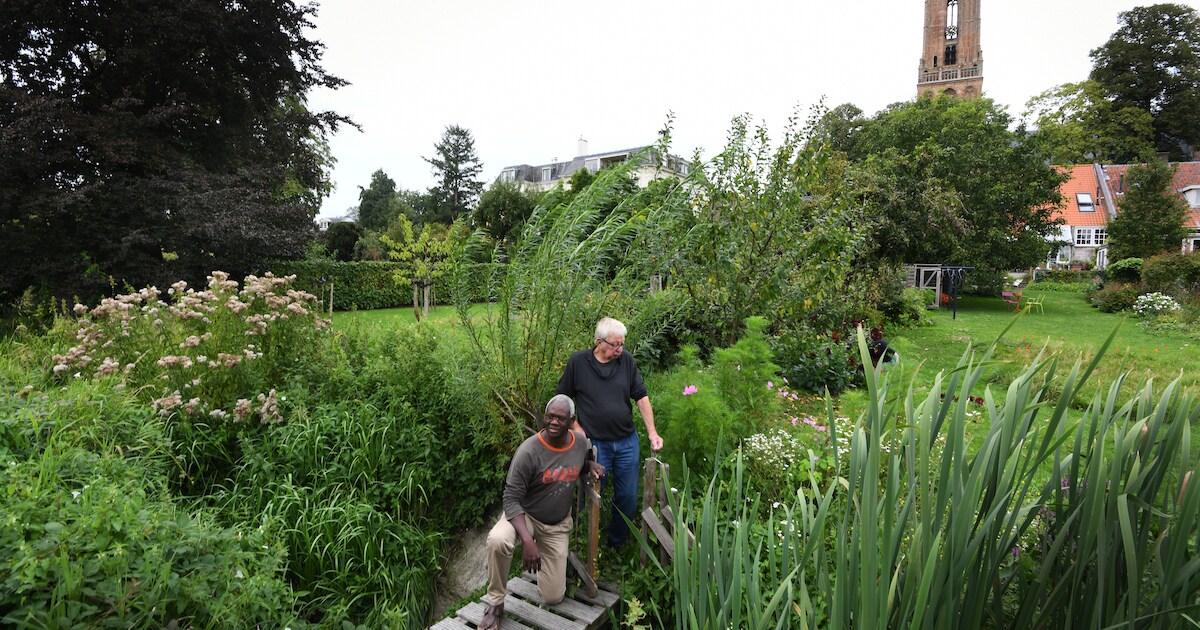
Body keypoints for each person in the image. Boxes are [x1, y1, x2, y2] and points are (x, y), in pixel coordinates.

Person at [479, 394, 604, 630]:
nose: (554, 422)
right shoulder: (528, 451)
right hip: (525, 515)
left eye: (560, 418)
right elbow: (510, 498)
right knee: (498, 539)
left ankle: (544, 557)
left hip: (556, 524)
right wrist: (527, 540)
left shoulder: (579, 442)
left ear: (571, 421)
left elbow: (581, 458)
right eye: (550, 416)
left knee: (552, 597)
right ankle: (495, 603)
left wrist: (590, 464)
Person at [556, 317, 663, 548]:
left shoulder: (626, 361)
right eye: (615, 344)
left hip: (627, 442)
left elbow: (641, 397)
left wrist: (652, 432)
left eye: (622, 344)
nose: (620, 349)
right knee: (590, 495)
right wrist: (576, 428)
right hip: (595, 445)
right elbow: (562, 400)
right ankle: (583, 544)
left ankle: (617, 544)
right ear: (599, 342)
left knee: (627, 497)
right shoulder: (578, 363)